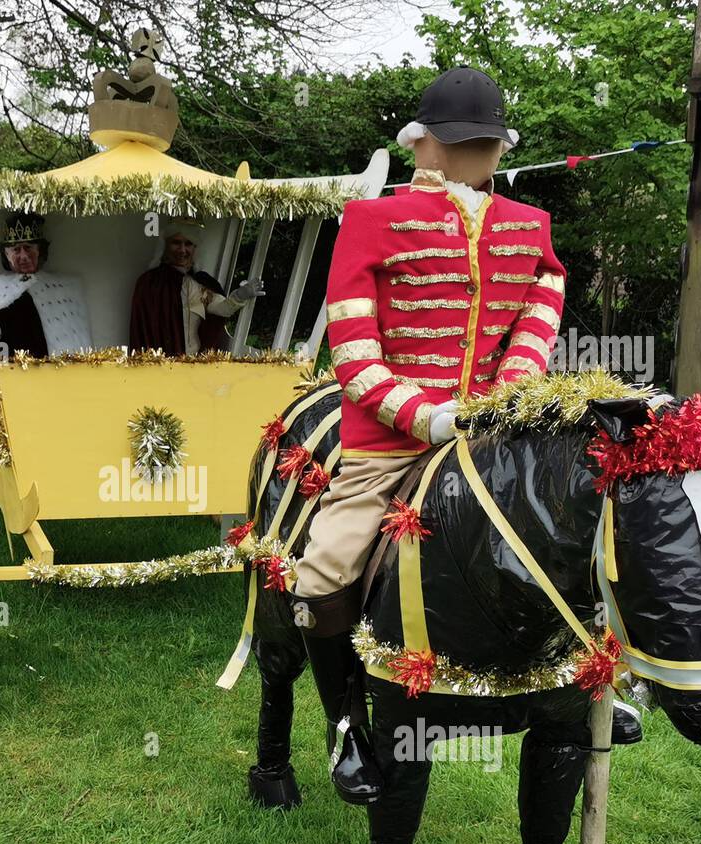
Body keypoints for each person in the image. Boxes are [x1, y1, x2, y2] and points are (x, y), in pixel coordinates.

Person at [292, 66, 566, 804]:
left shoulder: (529, 227)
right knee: (321, 577)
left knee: (573, 532)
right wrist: (427, 416)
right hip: (391, 440)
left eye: (489, 144)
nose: (481, 157)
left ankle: (581, 686)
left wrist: (502, 401)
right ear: (426, 144)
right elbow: (353, 352)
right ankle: (347, 722)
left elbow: (541, 314)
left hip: (492, 432)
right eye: (464, 143)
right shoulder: (370, 221)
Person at [129, 216, 263, 355]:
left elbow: (221, 308)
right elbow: (141, 331)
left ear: (195, 248)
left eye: (188, 244)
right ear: (166, 245)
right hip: (160, 365)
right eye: (176, 242)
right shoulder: (150, 283)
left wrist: (241, 295)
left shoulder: (198, 284)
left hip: (193, 363)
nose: (182, 250)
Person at [0, 212, 91, 360]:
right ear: (6, 255)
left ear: (40, 250)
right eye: (16, 250)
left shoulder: (64, 289)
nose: (23, 256)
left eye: (28, 247)